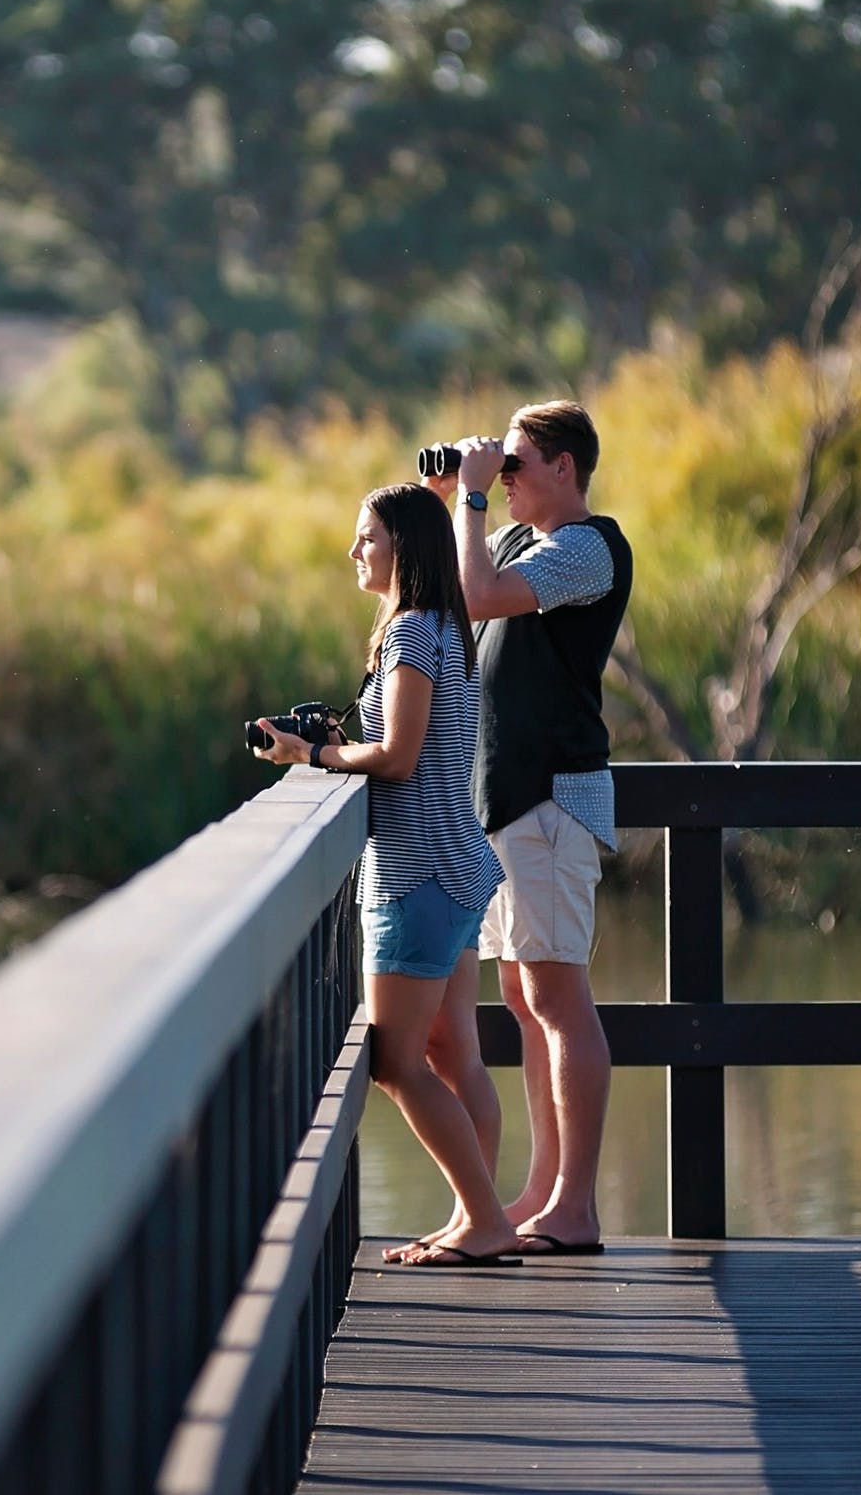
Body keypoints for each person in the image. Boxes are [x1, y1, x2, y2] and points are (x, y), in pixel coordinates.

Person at [253, 483, 516, 1267]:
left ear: (400, 546)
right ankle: (479, 1214)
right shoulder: (448, 628)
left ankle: (482, 1217)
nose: (353, 550)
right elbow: (416, 745)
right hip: (459, 867)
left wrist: (315, 754)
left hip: (415, 875)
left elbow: (398, 757)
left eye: (365, 536)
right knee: (452, 1055)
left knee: (398, 1062)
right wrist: (344, 738)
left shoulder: (409, 634)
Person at [430, 401, 632, 1258]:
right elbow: (445, 595)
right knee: (522, 999)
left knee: (556, 997)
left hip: (550, 798)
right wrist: (449, 499)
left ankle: (575, 1206)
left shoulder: (588, 547)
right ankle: (542, 1192)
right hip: (507, 803)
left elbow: (478, 595)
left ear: (563, 466)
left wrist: (474, 501)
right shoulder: (513, 541)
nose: (504, 478)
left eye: (515, 464)